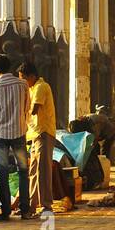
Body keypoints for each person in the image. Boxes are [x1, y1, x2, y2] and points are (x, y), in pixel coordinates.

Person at [18, 61, 69, 215]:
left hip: (43, 133)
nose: (23, 82)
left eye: (23, 79)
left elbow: (34, 110)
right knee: (33, 170)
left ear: (31, 76)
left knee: (43, 170)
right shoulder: (32, 88)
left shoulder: (41, 87)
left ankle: (46, 205)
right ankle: (32, 205)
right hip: (34, 134)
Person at [0, 53, 31, 219]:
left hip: (1, 134)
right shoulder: (23, 84)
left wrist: (2, 117)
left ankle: (5, 211)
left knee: (3, 172)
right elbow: (28, 106)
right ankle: (25, 210)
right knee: (23, 171)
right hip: (19, 131)